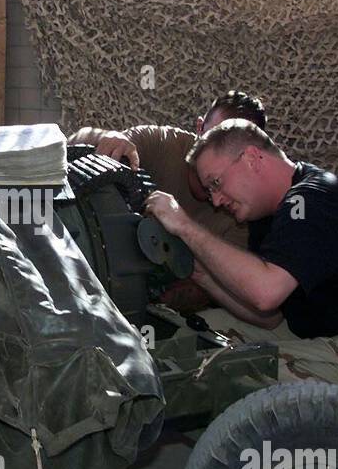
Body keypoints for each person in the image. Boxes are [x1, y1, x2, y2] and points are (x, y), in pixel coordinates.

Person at [144, 119, 338, 391]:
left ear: (252, 158)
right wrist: (202, 275)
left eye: (216, 184)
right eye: (211, 192)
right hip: (331, 339)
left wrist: (185, 226)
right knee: (191, 336)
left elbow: (266, 293)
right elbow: (269, 319)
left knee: (233, 373)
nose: (217, 200)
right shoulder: (268, 215)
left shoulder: (312, 201)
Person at [66, 91, 267, 311]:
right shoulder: (162, 144)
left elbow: (235, 289)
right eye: (215, 140)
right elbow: (79, 142)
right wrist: (110, 139)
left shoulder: (241, 213)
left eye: (235, 153)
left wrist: (192, 289)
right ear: (199, 129)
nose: (221, 158)